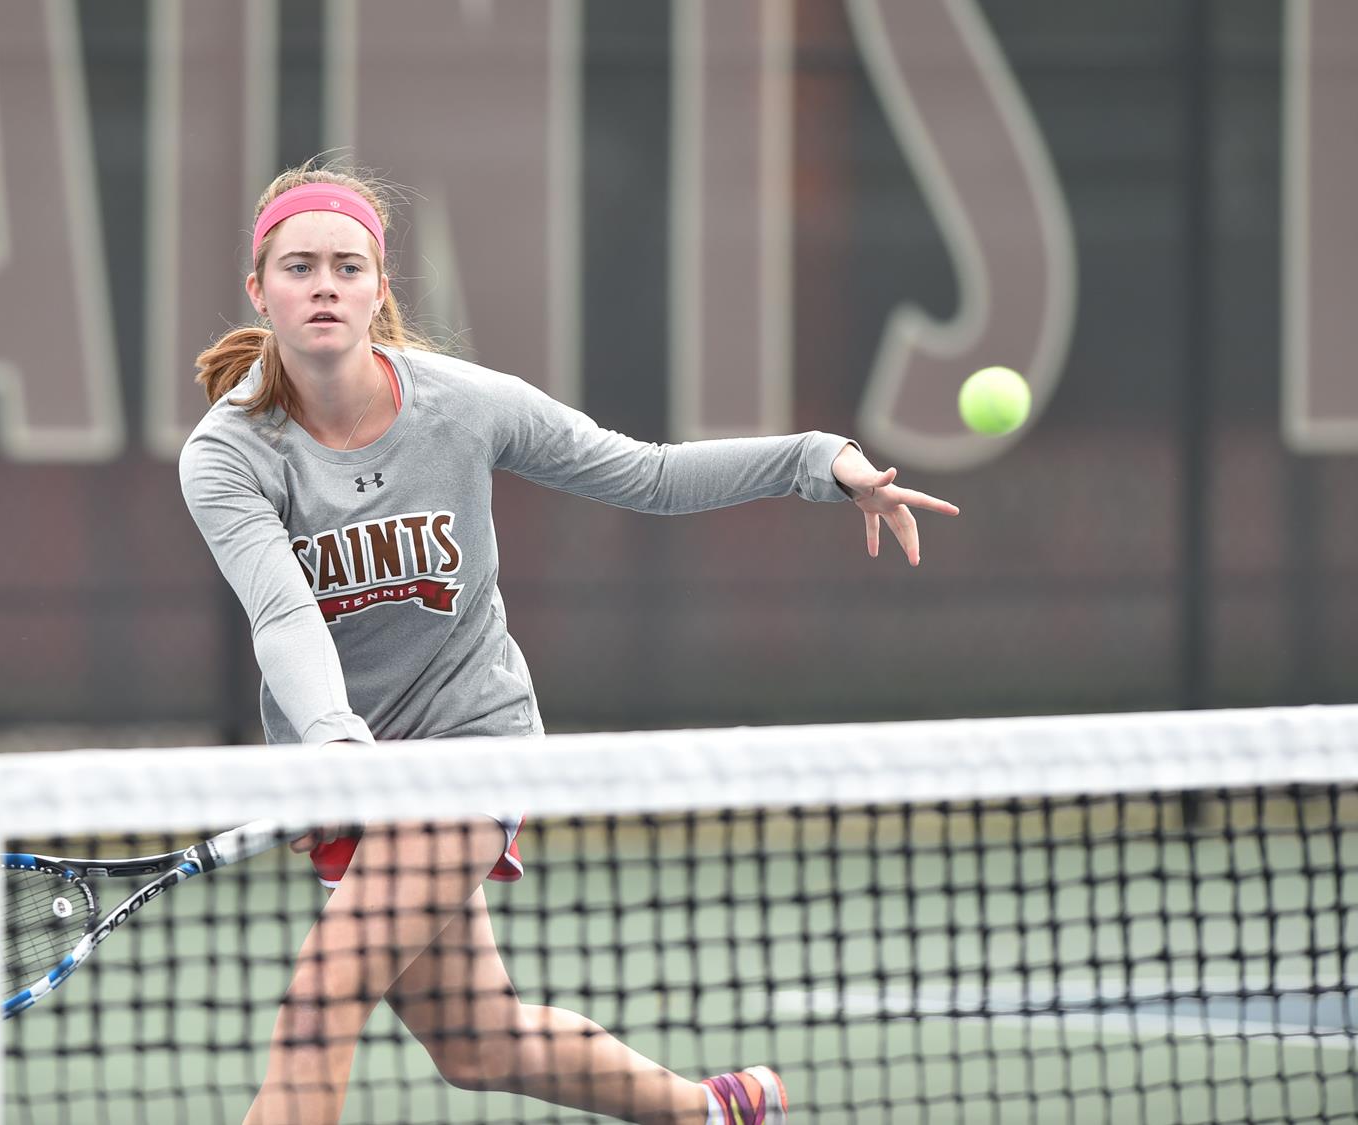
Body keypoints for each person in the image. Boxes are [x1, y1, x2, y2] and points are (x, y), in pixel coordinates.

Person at [179, 161, 958, 1125]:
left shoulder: (463, 403)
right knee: (478, 1040)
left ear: (381, 288)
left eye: (347, 265)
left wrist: (816, 460)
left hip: (473, 742)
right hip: (354, 763)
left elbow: (649, 474)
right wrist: (337, 740)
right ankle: (714, 1112)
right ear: (261, 290)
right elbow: (282, 613)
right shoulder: (225, 454)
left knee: (318, 1001)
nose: (325, 284)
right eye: (300, 267)